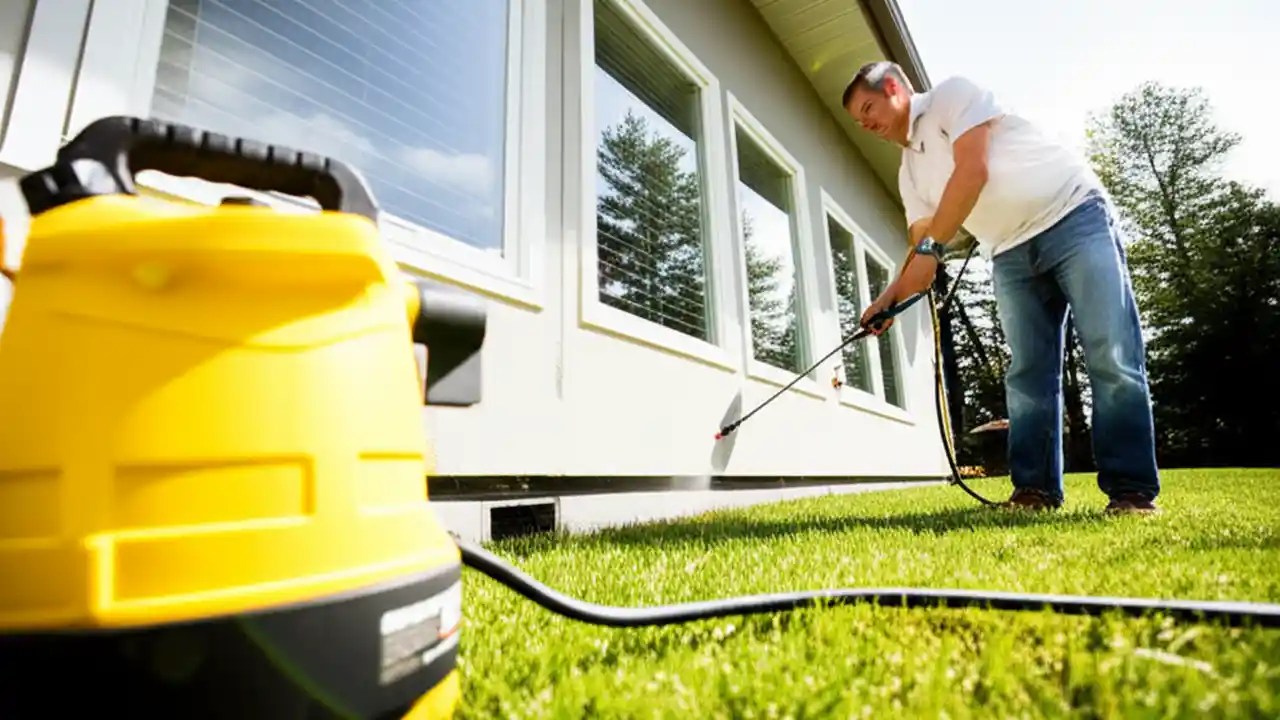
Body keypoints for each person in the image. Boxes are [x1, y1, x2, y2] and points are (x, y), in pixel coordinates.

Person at [840, 61, 1160, 514]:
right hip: (1009, 251)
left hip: (1073, 214)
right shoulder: (908, 173)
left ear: (894, 87)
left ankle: (1131, 492)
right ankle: (1035, 492)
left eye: (868, 108)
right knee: (1028, 373)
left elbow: (972, 172)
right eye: (859, 120)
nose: (866, 123)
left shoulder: (952, 96)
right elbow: (923, 250)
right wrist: (888, 300)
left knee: (1111, 354)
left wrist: (930, 250)